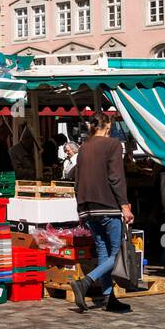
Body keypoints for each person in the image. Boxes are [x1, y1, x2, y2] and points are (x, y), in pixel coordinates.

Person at [69, 113, 133, 313]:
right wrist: (125, 205)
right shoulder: (113, 144)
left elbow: (77, 181)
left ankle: (108, 298)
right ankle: (86, 282)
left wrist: (80, 207)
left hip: (87, 207)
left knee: (104, 252)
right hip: (107, 204)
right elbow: (116, 178)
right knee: (117, 253)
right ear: (108, 125)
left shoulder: (84, 148)